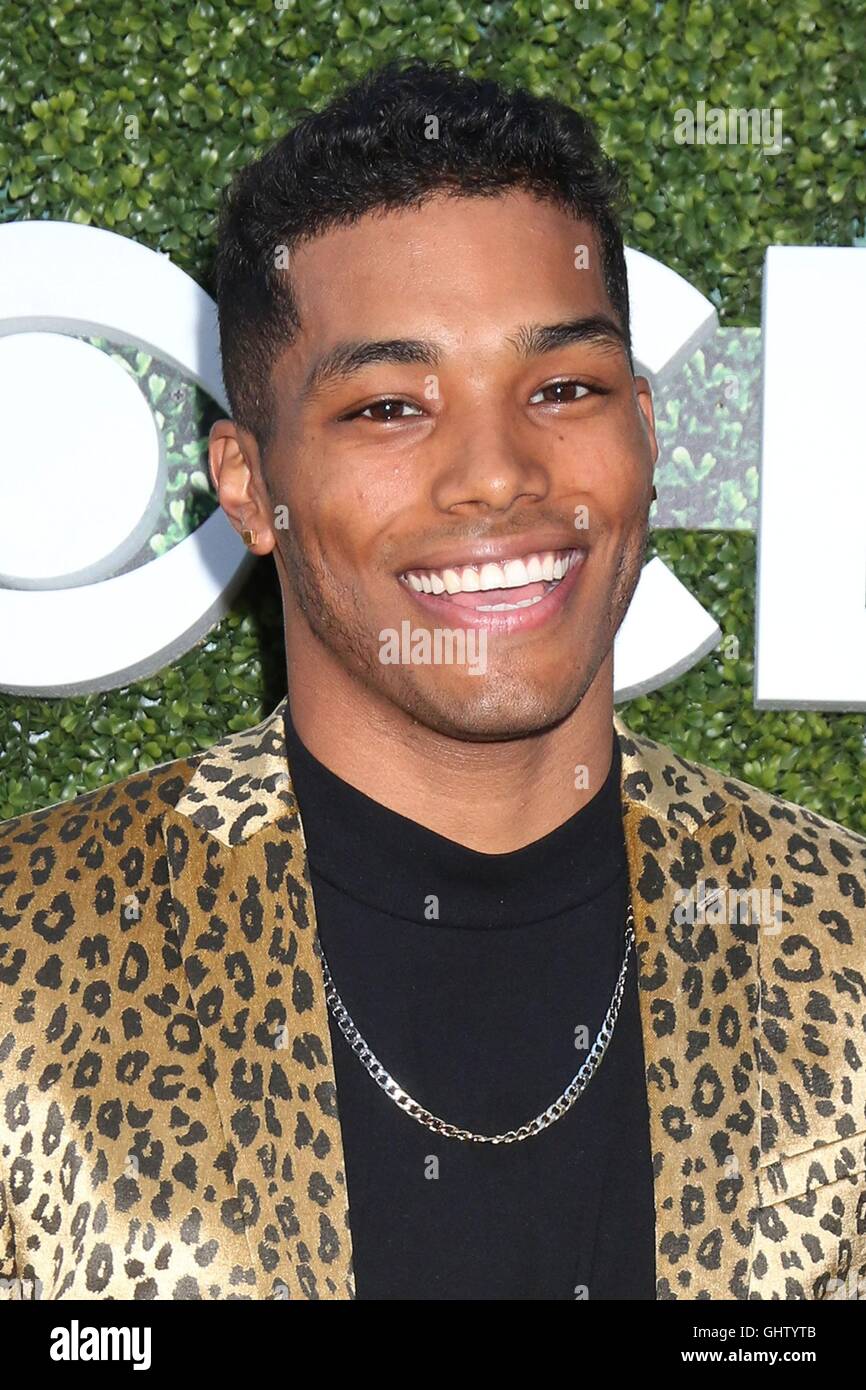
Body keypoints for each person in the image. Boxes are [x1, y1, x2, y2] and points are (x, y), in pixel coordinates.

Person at [1, 59, 864, 1303]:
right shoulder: (32, 964)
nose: (497, 473)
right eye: (390, 407)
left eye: (563, 387)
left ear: (646, 435)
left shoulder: (835, 960)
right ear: (249, 486)